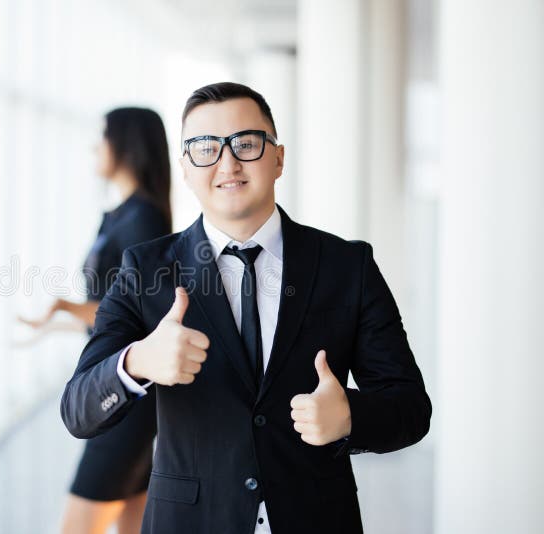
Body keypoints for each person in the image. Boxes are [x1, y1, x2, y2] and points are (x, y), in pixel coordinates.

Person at [60, 82, 432, 534]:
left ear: (278, 158)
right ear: (185, 167)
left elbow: (411, 407)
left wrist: (351, 416)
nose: (228, 162)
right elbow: (78, 409)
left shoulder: (345, 266)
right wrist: (138, 360)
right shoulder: (144, 269)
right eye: (205, 147)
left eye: (247, 144)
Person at [19, 108, 172, 534]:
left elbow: (140, 313)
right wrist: (62, 320)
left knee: (78, 526)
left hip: (125, 396)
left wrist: (69, 308)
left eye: (102, 137)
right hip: (121, 387)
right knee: (132, 522)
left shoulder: (142, 218)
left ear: (126, 144)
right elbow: (112, 315)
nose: (95, 147)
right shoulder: (124, 213)